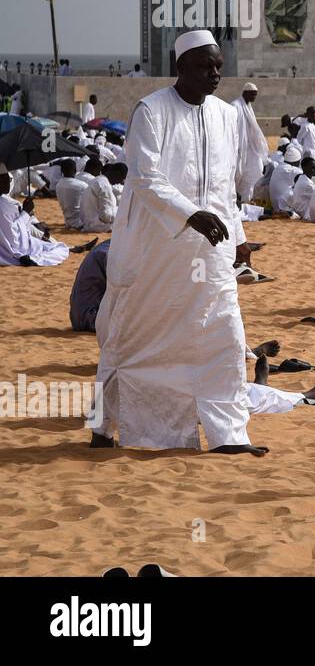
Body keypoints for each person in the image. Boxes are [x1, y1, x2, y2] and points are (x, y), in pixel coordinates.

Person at [90, 30, 266, 454]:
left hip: (213, 250)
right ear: (180, 68)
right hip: (157, 250)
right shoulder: (150, 110)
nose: (215, 74)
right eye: (206, 66)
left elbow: (226, 188)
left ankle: (229, 435)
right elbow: (146, 176)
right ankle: (103, 426)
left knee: (225, 335)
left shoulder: (227, 115)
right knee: (134, 339)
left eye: (219, 66)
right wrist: (189, 214)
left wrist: (238, 237)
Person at [79, 161, 124, 232]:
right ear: (117, 174)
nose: (119, 182)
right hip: (98, 226)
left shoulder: (98, 180)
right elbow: (105, 217)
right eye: (121, 179)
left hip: (88, 222)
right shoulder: (105, 185)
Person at [54, 158, 88, 229]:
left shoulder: (58, 185)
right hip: (82, 223)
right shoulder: (82, 185)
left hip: (68, 221)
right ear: (75, 170)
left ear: (61, 171)